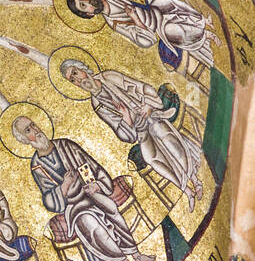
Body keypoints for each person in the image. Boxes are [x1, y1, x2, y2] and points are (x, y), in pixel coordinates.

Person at [12, 114, 155, 261]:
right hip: (75, 206)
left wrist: (98, 184)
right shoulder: (37, 167)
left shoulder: (66, 145)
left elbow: (93, 166)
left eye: (34, 125)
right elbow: (49, 201)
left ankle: (136, 254)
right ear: (24, 139)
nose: (36, 131)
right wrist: (64, 186)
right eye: (28, 130)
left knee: (111, 208)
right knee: (90, 223)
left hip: (92, 192)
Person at [60, 59, 204, 211]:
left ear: (84, 69)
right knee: (151, 158)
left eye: (76, 73)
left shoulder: (109, 77)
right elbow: (122, 133)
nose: (78, 80)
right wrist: (127, 121)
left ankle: (195, 181)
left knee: (165, 139)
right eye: (72, 80)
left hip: (151, 116)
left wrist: (148, 104)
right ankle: (186, 191)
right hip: (140, 131)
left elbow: (140, 87)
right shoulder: (98, 105)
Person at [66, 0, 219, 71]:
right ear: (89, 14)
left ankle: (202, 21)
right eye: (84, 5)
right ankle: (205, 35)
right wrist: (135, 18)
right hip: (158, 26)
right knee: (171, 30)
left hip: (155, 7)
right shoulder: (114, 23)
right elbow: (147, 41)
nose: (87, 0)